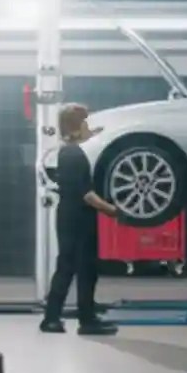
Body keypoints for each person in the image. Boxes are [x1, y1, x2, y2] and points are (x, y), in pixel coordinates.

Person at [40, 103, 120, 336]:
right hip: (77, 218)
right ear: (76, 126)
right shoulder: (73, 154)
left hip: (72, 216)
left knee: (79, 268)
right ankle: (71, 319)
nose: (90, 126)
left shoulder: (70, 151)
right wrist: (112, 210)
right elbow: (86, 194)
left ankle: (75, 317)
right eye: (87, 121)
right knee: (75, 268)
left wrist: (97, 133)